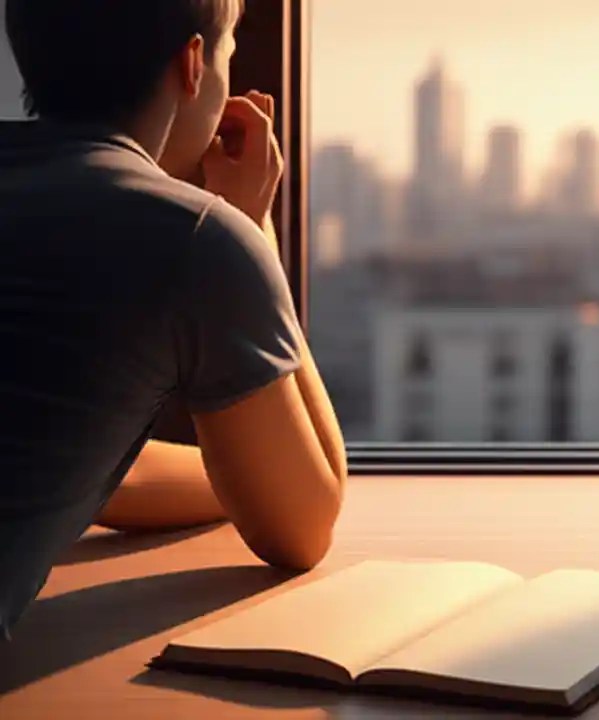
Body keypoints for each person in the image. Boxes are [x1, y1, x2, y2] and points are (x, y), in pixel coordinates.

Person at [0, 0, 347, 639]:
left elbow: (104, 468)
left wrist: (243, 480)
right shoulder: (190, 237)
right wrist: (254, 229)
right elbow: (306, 522)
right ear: (192, 64)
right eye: (229, 52)